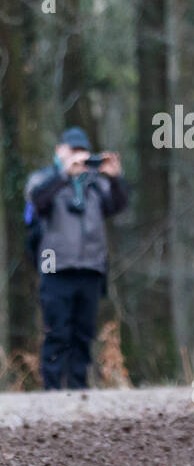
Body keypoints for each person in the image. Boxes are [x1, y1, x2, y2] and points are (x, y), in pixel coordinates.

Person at [23, 127, 128, 389]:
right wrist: (64, 175)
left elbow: (118, 206)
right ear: (60, 152)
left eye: (83, 152)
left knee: (83, 333)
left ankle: (80, 390)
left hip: (90, 267)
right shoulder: (44, 179)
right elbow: (37, 203)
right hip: (54, 266)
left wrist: (114, 178)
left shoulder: (96, 183)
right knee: (56, 331)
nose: (79, 158)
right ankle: (53, 392)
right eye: (74, 152)